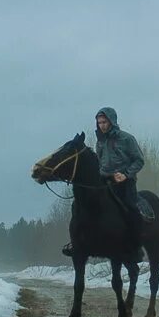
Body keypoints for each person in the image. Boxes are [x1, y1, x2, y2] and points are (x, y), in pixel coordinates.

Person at [62, 107, 145, 257]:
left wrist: (126, 174)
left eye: (104, 122)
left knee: (131, 208)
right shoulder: (100, 142)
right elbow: (100, 163)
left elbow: (139, 160)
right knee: (79, 205)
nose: (102, 125)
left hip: (124, 182)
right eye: (99, 122)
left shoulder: (127, 139)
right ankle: (78, 243)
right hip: (105, 181)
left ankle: (136, 246)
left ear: (112, 121)